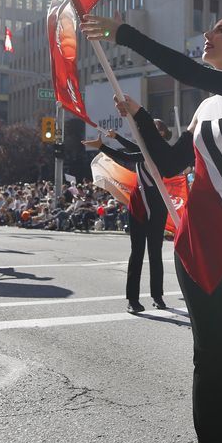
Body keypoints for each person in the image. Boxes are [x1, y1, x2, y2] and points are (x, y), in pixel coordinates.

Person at [82, 11, 222, 443]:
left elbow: (194, 74)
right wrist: (140, 119)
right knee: (213, 356)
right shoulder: (205, 109)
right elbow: (171, 162)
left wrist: (124, 34)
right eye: (210, 28)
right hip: (201, 240)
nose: (210, 35)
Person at [83, 125, 172, 313]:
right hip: (139, 207)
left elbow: (129, 157)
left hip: (157, 206)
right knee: (137, 253)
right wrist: (116, 137)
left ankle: (157, 296)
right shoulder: (145, 148)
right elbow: (134, 149)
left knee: (155, 253)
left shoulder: (161, 151)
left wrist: (103, 146)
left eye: (156, 128)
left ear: (162, 134)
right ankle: (133, 299)